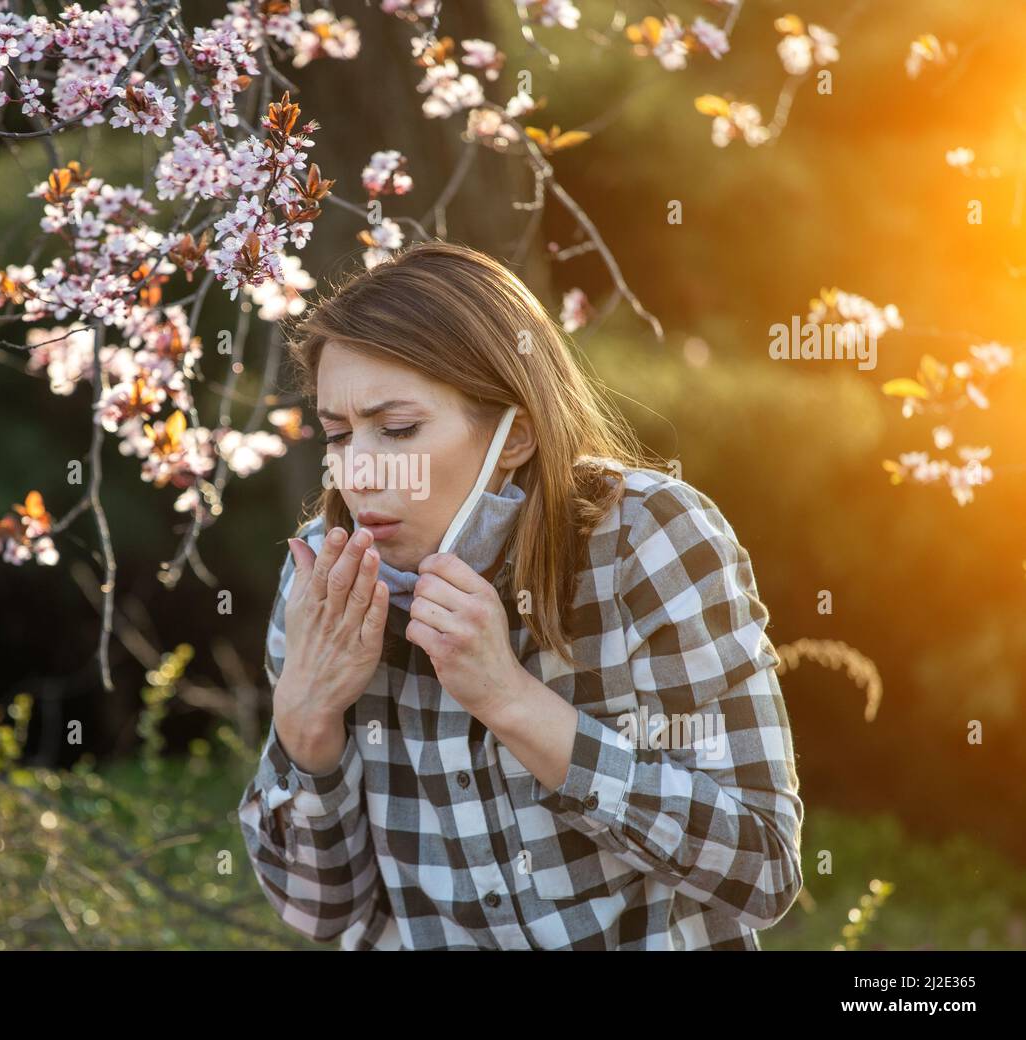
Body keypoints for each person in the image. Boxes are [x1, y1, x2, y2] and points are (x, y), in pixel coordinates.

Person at [236, 240, 804, 950]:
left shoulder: (648, 539)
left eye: (399, 430)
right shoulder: (324, 579)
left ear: (516, 435)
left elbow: (763, 868)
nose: (358, 474)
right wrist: (305, 730)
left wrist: (514, 703)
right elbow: (320, 914)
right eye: (340, 435)